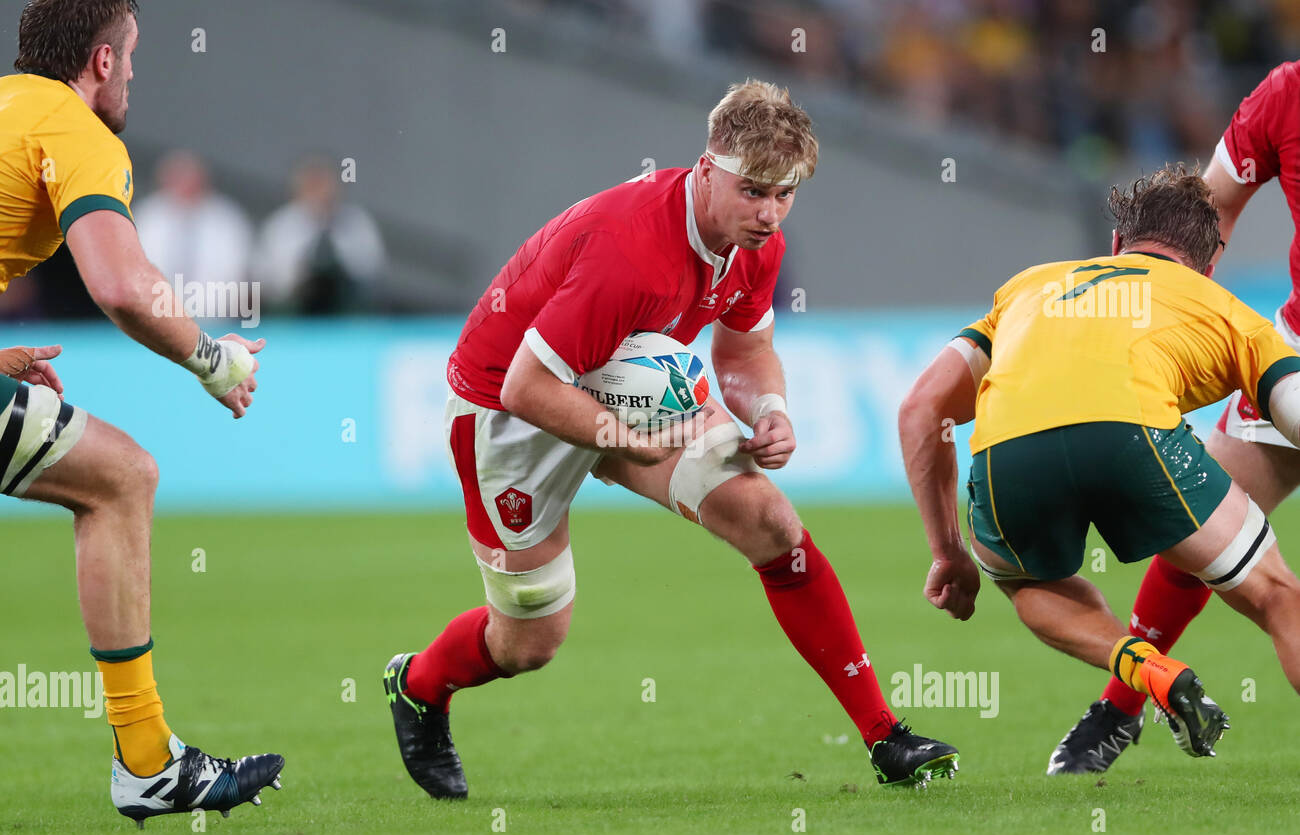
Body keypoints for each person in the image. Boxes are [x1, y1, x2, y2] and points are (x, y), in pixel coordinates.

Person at [383, 80, 959, 797]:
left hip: (631, 386)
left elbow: (744, 355)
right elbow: (523, 386)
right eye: (753, 191)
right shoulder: (628, 251)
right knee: (530, 639)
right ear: (706, 168)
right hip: (509, 414)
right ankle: (418, 685)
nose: (769, 213)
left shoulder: (758, 245)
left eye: (785, 195)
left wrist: (770, 408)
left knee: (773, 523)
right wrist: (614, 432)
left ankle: (885, 736)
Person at [899, 164, 1300, 768]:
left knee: (1027, 580)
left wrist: (948, 551)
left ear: (1116, 243)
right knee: (1277, 595)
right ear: (1209, 262)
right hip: (1133, 437)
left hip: (1010, 450)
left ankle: (1151, 670)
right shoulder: (1228, 310)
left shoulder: (1026, 288)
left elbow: (920, 410)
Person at [1, 0, 281, 825]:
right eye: (130, 58)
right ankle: (150, 764)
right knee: (122, 479)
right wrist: (213, 357)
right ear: (98, 62)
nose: (133, 75)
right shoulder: (76, 130)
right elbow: (121, 284)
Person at [1048, 60, 1300, 774]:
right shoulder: (1285, 94)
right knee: (1201, 526)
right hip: (1290, 359)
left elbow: (1210, 208)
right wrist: (1164, 311)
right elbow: (1210, 209)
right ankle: (1124, 705)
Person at [254, 156, 386, 315]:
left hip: (346, 311)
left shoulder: (357, 223)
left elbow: (371, 272)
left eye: (324, 185)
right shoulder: (280, 227)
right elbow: (266, 279)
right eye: (313, 186)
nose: (320, 193)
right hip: (294, 312)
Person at [133, 150, 254, 317]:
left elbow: (237, 270)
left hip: (216, 317)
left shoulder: (227, 218)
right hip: (154, 317)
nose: (185, 186)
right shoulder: (146, 216)